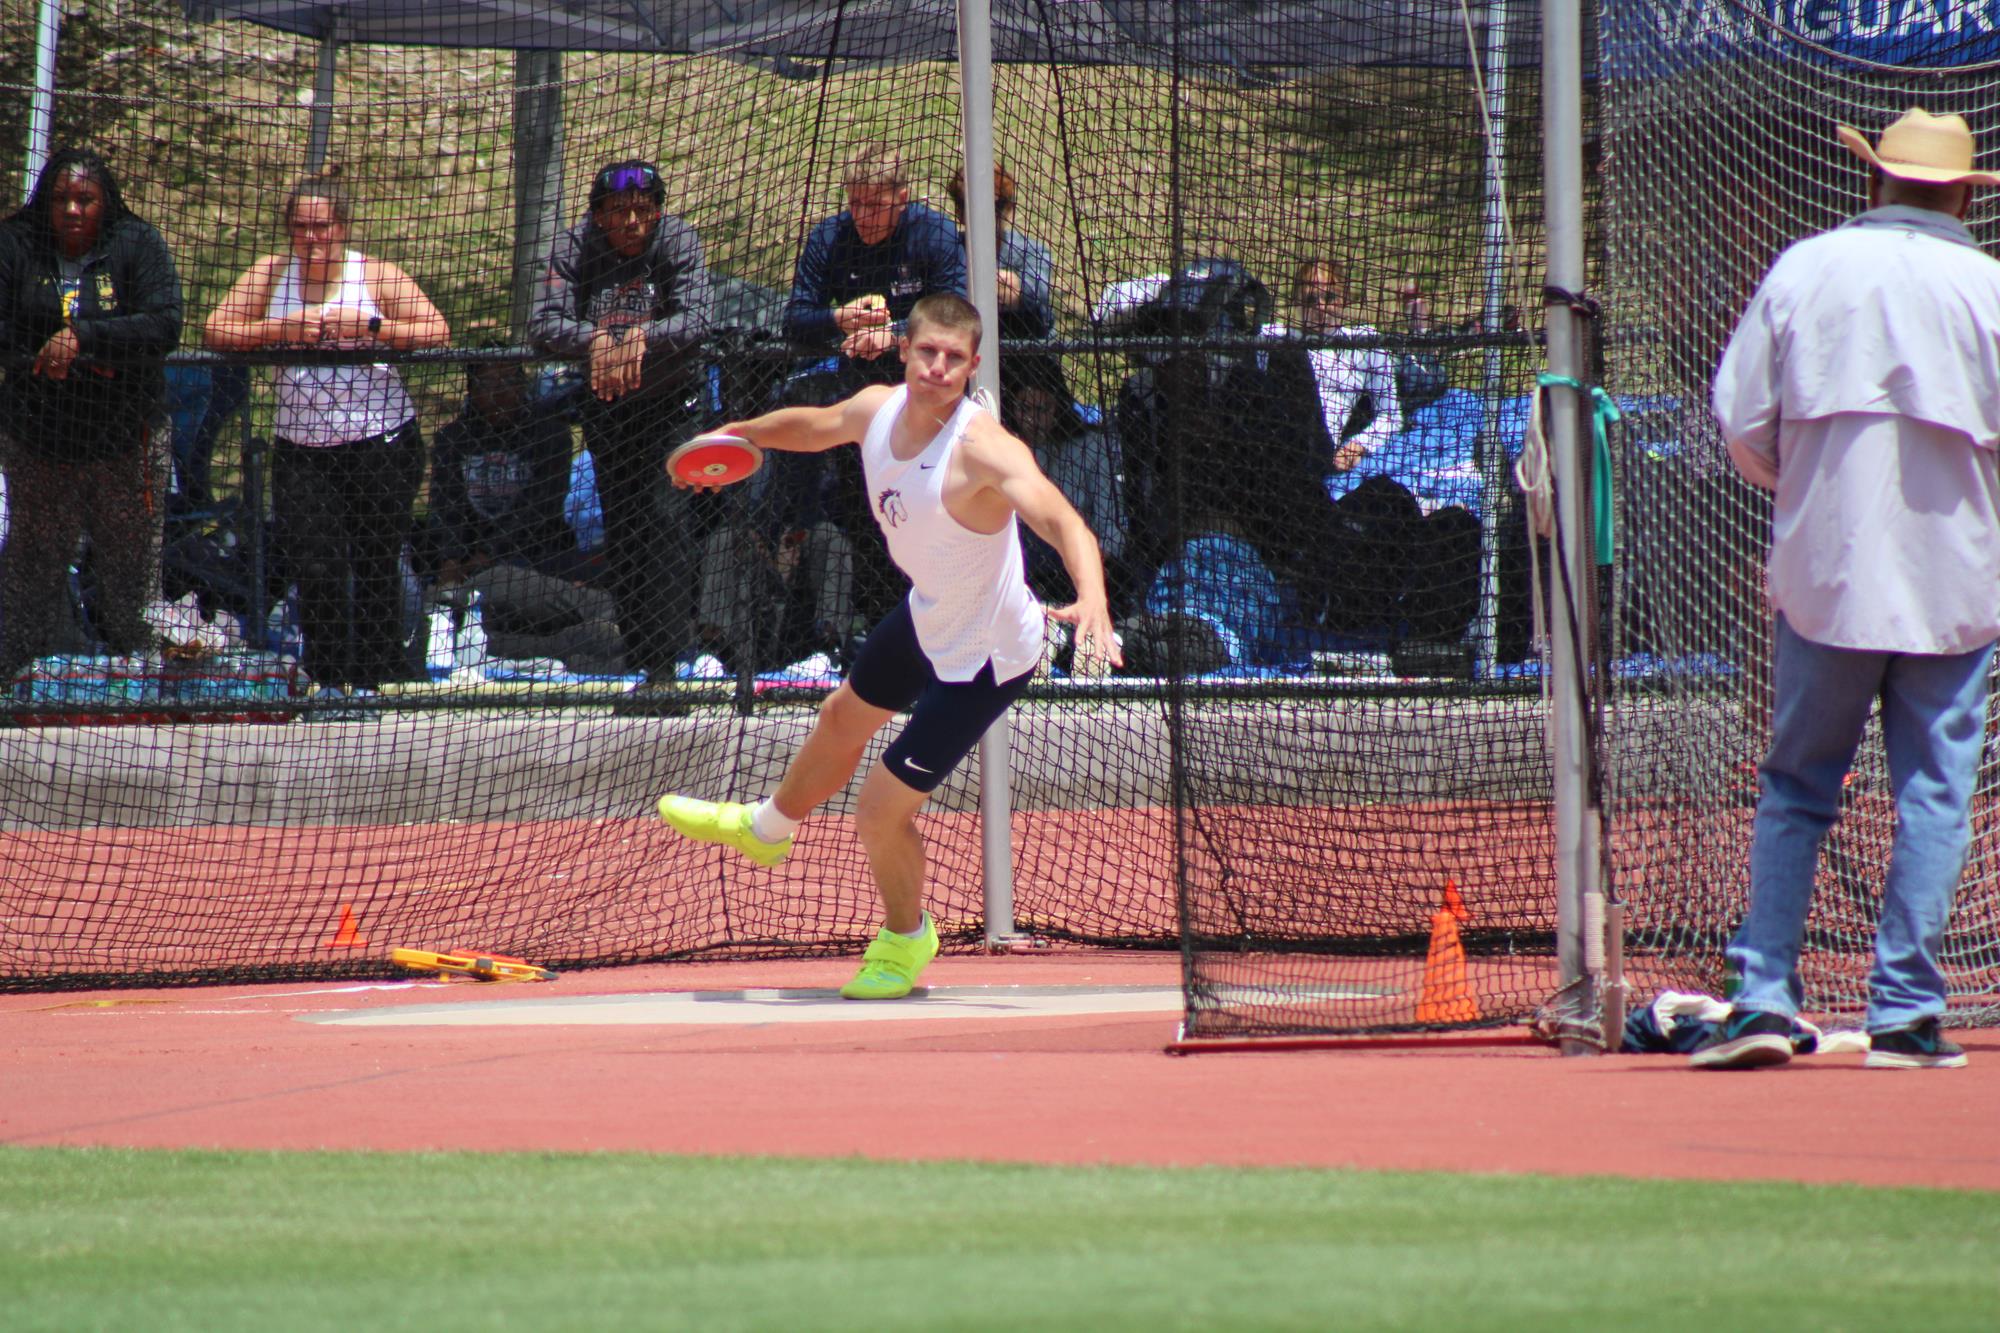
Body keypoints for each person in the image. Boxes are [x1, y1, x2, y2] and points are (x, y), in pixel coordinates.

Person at [657, 293, 1119, 1000]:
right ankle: (766, 827)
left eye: (955, 359)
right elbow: (814, 426)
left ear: (971, 367)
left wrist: (1094, 599)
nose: (938, 367)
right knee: (842, 716)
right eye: (927, 351)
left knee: (878, 808)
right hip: (929, 611)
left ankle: (907, 940)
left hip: (988, 654)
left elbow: (1063, 521)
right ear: (905, 348)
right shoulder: (877, 407)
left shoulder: (982, 448)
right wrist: (740, 431)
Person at [1694, 107, 2000, 1072]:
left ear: (1874, 182)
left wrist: (1805, 489)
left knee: (1796, 784)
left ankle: (1764, 998)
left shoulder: (1807, 268)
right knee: (1937, 796)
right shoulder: (1990, 286)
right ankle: (1906, 1013)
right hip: (1956, 579)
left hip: (1826, 572)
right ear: (1961, 195)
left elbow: (1740, 415)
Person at [204, 170, 448, 699]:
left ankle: (381, 673)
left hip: (380, 441)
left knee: (376, 556)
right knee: (315, 562)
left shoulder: (375, 275)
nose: (311, 239)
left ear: (342, 227)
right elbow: (216, 330)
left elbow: (436, 329)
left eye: (321, 227)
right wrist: (279, 330)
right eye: (300, 227)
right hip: (302, 447)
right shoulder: (272, 274)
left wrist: (371, 328)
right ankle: (328, 674)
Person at [530, 159, 714, 709]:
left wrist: (637, 339)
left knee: (666, 524)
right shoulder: (574, 246)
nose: (633, 221)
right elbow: (543, 325)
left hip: (670, 409)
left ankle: (666, 665)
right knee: (625, 530)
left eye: (643, 210)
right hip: (608, 411)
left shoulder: (676, 238)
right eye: (619, 211)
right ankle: (639, 658)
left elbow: (698, 317)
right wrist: (601, 341)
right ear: (598, 214)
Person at [0, 148, 183, 679]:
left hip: (125, 438)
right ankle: (14, 682)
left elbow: (164, 323)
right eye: (61, 200)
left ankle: (145, 682)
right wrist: (42, 356)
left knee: (130, 576)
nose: (73, 211)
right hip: (39, 439)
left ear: (105, 202)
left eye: (85, 199)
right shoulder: (15, 242)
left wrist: (86, 339)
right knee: (31, 572)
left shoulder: (136, 242)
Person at [778, 143, 967, 642]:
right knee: (868, 515)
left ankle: (942, 631)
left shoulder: (934, 234)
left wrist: (898, 335)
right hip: (860, 404)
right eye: (854, 202)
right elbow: (795, 318)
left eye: (875, 204)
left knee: (931, 516)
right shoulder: (831, 237)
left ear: (901, 198)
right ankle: (877, 634)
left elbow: (957, 311)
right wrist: (838, 319)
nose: (862, 216)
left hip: (930, 403)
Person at [1253, 259, 1477, 642]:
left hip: (1324, 444)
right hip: (1286, 437)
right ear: (1296, 303)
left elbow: (1391, 415)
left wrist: (1358, 444)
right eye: (1309, 299)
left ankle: (1420, 326)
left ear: (1343, 300)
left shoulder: (1361, 344)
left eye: (1329, 297)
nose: (1320, 306)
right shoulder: (1280, 340)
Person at [425, 356, 624, 675]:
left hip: (538, 558)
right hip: (467, 571)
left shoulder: (549, 435)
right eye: (488, 385)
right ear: (472, 392)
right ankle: (573, 645)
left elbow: (537, 510)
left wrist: (487, 554)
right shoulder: (453, 439)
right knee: (461, 620)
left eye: (508, 383)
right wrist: (452, 557)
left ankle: (618, 625)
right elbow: (445, 506)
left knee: (493, 585)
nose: (499, 393)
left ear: (522, 387)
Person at [947, 161, 1056, 342]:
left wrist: (1018, 289)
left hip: (1028, 356)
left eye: (996, 207)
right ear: (959, 211)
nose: (986, 215)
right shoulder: (948, 250)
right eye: (972, 206)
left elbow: (1038, 291)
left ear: (1010, 207)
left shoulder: (1032, 251)